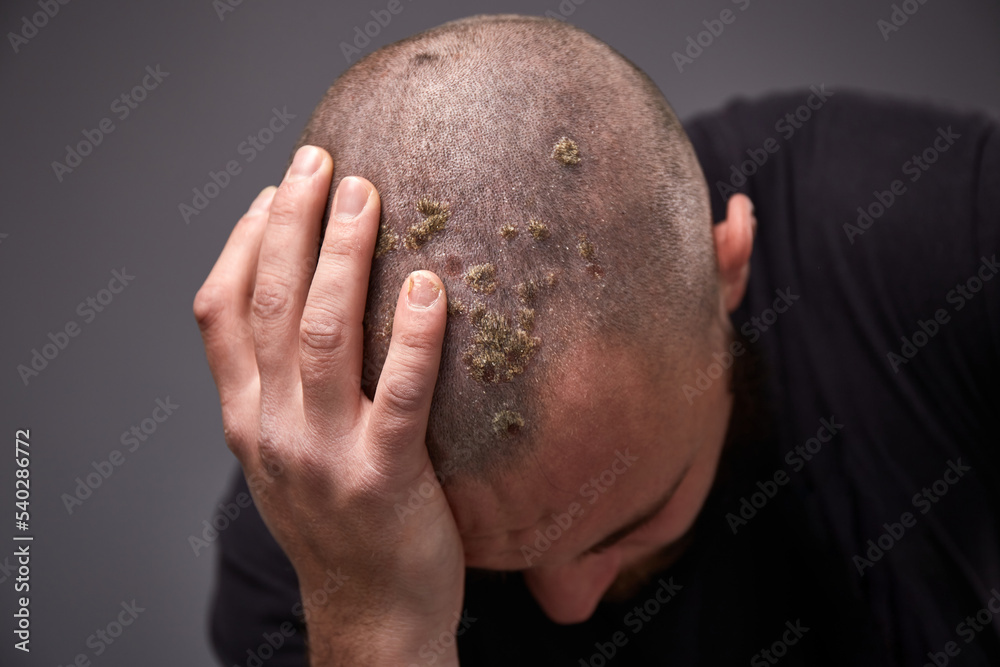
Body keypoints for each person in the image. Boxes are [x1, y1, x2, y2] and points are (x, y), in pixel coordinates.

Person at [193, 14, 1000, 667]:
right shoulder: (327, 542)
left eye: (627, 525)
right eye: (477, 567)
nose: (568, 604)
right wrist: (379, 627)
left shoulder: (909, 236)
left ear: (728, 265)